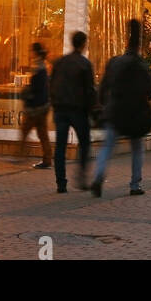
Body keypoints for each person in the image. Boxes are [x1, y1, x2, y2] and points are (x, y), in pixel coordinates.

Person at [91, 20, 151, 196]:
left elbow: (103, 86)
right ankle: (135, 185)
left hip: (115, 110)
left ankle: (98, 176)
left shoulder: (115, 62)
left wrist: (102, 105)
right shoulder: (141, 64)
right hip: (135, 112)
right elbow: (150, 87)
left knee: (107, 147)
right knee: (137, 148)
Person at [50, 31, 96, 193]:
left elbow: (52, 84)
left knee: (60, 146)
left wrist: (54, 104)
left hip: (61, 109)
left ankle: (60, 182)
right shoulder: (84, 64)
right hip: (78, 110)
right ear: (83, 44)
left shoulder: (60, 62)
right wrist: (91, 109)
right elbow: (90, 90)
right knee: (84, 143)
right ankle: (81, 176)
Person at [19, 43, 52, 169]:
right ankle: (47, 158)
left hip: (36, 107)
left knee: (25, 130)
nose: (30, 53)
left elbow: (37, 87)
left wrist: (28, 92)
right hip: (42, 105)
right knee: (42, 133)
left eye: (31, 50)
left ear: (35, 52)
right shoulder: (42, 65)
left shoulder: (39, 66)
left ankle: (20, 155)